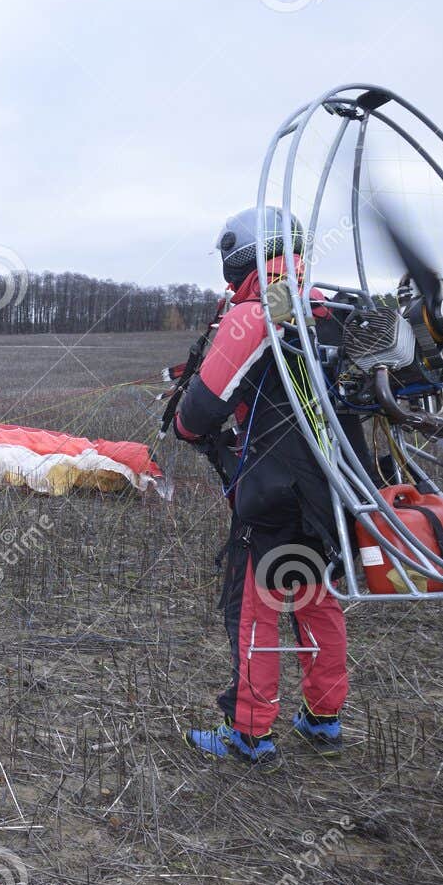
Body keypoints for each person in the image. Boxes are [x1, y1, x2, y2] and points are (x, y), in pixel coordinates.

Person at [172, 207, 348, 767]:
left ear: (241, 256)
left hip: (275, 491)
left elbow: (195, 416)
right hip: (330, 488)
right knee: (317, 599)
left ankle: (250, 731)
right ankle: (323, 717)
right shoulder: (320, 307)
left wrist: (191, 407)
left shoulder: (256, 315)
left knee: (256, 608)